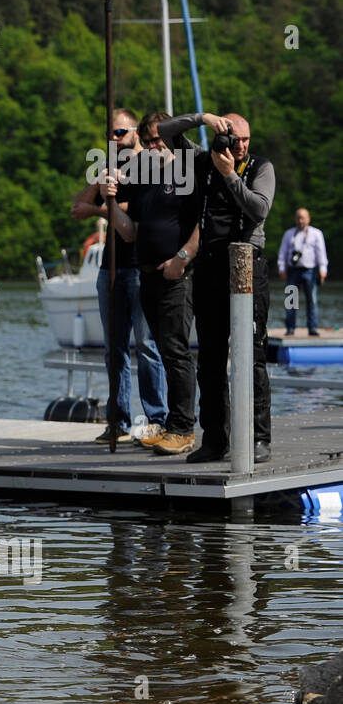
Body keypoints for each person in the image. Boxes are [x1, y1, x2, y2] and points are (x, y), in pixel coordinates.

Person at [155, 112, 276, 464]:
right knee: (208, 359)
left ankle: (259, 437)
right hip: (208, 266)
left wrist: (229, 175)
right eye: (233, 138)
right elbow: (164, 131)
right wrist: (203, 118)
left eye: (245, 140)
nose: (239, 146)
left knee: (251, 355)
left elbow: (259, 209)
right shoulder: (201, 160)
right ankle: (215, 439)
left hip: (246, 267)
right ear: (219, 137)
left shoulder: (260, 168)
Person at [100, 111, 204, 456]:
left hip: (177, 275)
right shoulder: (143, 179)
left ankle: (183, 429)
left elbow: (201, 224)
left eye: (157, 139)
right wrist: (111, 200)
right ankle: (169, 425)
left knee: (175, 351)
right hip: (146, 274)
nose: (152, 145)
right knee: (161, 348)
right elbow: (129, 231)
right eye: (146, 141)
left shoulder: (187, 171)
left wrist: (182, 259)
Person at [70, 108, 168, 445]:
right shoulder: (111, 168)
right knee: (115, 349)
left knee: (146, 345)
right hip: (109, 269)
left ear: (135, 133)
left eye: (121, 133)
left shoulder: (151, 166)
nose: (115, 139)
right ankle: (118, 419)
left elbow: (130, 214)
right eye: (110, 134)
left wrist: (101, 206)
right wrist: (99, 184)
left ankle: (157, 418)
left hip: (141, 266)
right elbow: (76, 207)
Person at [277, 208, 328, 336]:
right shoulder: (289, 234)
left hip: (309, 270)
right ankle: (290, 329)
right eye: (298, 217)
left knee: (312, 300)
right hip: (293, 271)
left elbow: (321, 253)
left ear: (308, 219)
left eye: (303, 217)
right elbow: (282, 253)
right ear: (295, 219)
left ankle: (312, 328)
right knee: (291, 301)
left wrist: (323, 269)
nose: (300, 220)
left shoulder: (316, 234)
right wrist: (281, 269)